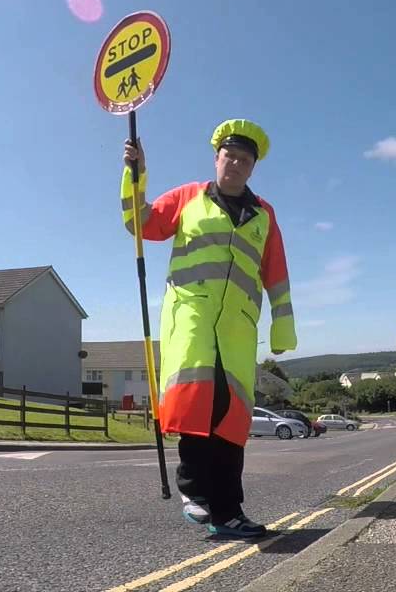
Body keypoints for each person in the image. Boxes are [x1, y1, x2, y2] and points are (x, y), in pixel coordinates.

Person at [121, 119, 297, 539]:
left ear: (252, 167)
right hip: (193, 320)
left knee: (232, 420)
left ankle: (229, 512)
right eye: (229, 156)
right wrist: (136, 175)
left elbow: (276, 271)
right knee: (198, 404)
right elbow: (141, 224)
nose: (235, 163)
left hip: (237, 330)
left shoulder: (264, 215)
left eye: (244, 159)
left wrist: (283, 325)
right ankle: (195, 493)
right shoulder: (188, 197)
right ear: (217, 158)